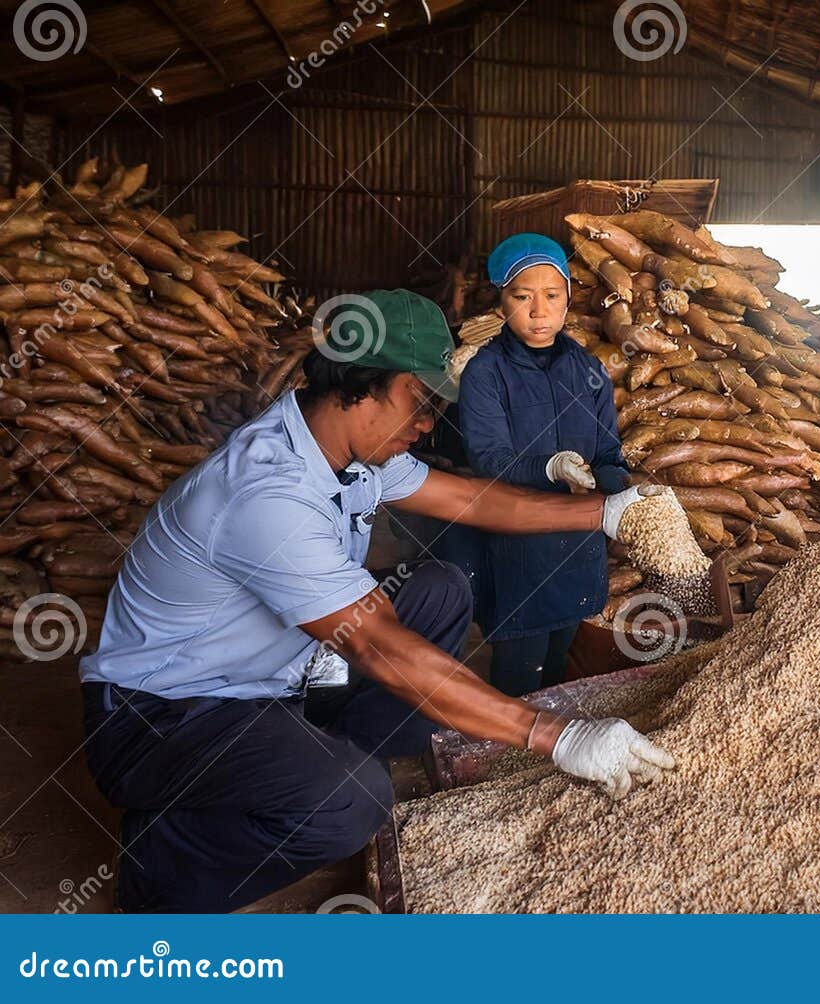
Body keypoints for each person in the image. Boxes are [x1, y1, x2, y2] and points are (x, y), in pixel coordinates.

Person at [79, 289, 674, 913]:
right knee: (352, 801)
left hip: (269, 685)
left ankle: (327, 756)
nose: (427, 423)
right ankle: (161, 861)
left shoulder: (347, 451)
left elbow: (472, 500)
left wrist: (606, 513)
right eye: (417, 401)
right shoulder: (267, 492)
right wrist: (557, 736)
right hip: (161, 717)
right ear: (359, 384)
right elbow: (376, 644)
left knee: (440, 589)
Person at [456, 234, 629, 696]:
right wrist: (550, 468)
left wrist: (620, 491)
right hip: (519, 558)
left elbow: (612, 456)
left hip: (579, 553)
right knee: (519, 681)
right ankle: (510, 762)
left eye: (551, 296)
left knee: (557, 676)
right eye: (522, 296)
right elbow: (489, 458)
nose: (538, 311)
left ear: (568, 300)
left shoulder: (588, 369)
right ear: (501, 303)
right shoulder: (485, 373)